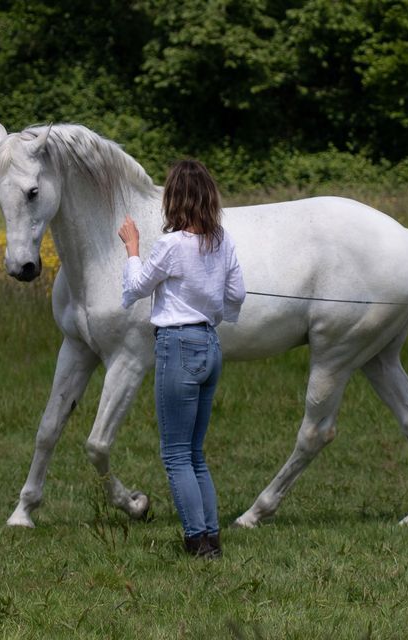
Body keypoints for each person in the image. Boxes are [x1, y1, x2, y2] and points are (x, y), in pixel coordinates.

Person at [119, 159, 246, 558]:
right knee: (195, 452)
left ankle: (198, 541)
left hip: (178, 346)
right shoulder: (221, 240)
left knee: (175, 453)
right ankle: (211, 536)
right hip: (210, 344)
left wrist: (132, 248)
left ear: (174, 199)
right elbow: (237, 294)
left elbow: (138, 287)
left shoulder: (171, 245)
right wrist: (212, 309)